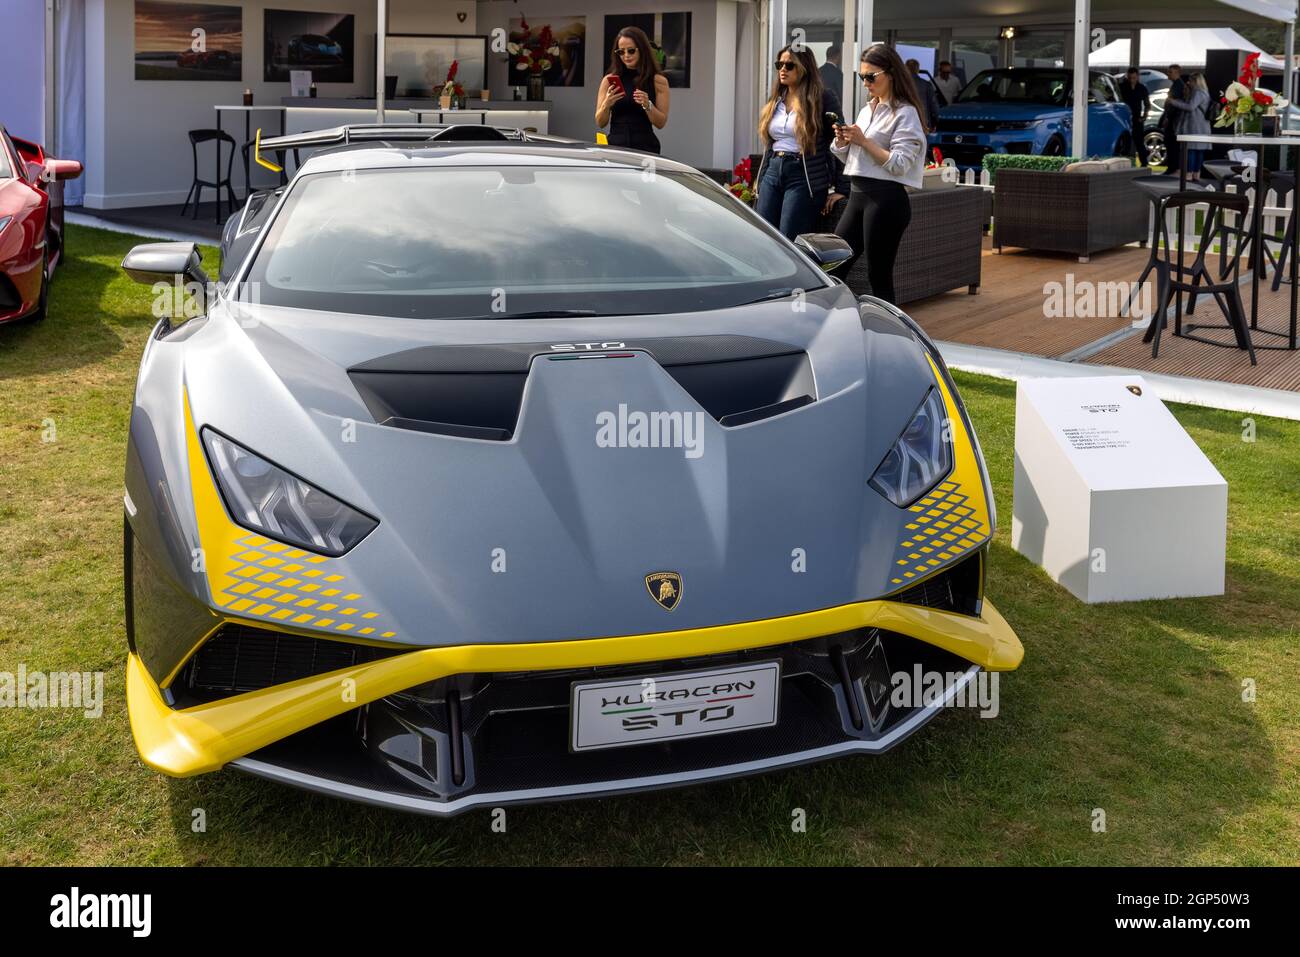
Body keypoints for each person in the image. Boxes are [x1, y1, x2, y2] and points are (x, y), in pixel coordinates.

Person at [830, 43, 927, 305]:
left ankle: (893, 337)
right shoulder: (867, 109)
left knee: (879, 275)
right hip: (858, 195)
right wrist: (843, 141)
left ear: (891, 73)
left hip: (886, 200)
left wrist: (863, 141)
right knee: (834, 268)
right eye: (862, 77)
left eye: (870, 77)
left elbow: (900, 164)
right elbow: (854, 158)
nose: (865, 83)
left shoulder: (905, 113)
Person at [754, 46, 845, 239]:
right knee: (763, 237)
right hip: (773, 172)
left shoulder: (823, 98)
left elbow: (841, 142)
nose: (783, 69)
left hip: (804, 176)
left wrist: (843, 188)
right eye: (780, 64)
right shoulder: (776, 100)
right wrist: (761, 181)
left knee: (790, 240)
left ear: (804, 68)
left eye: (789, 65)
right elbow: (770, 146)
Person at [595, 26, 671, 154]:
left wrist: (648, 105)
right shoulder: (609, 80)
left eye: (631, 51)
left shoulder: (658, 81)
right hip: (615, 148)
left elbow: (661, 123)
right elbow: (600, 122)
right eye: (621, 52)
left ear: (642, 50)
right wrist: (606, 105)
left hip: (645, 148)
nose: (626, 56)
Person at [1165, 72, 1211, 180]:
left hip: (1194, 127)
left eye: (1190, 81)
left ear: (1195, 81)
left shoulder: (1198, 92)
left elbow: (1190, 106)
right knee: (1199, 151)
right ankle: (1196, 173)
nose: (1188, 83)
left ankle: (1189, 173)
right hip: (1202, 127)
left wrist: (1173, 102)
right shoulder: (1204, 92)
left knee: (1191, 150)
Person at [1120, 67, 1151, 165]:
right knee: (1125, 142)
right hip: (1124, 118)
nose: (1132, 80)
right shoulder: (1122, 87)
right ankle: (1125, 163)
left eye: (1133, 78)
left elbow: (1147, 104)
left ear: (1137, 77)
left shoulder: (1142, 88)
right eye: (1130, 78)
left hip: (1137, 118)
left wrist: (1144, 117)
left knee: (1139, 142)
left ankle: (1144, 163)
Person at [907, 58, 942, 131]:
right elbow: (934, 105)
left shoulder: (898, 84)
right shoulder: (926, 85)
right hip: (922, 122)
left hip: (904, 122)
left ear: (905, 68)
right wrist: (937, 121)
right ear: (918, 69)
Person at [1162, 64, 1184, 173]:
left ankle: (1173, 167)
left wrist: (1168, 117)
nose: (1168, 74)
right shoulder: (1176, 85)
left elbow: (1174, 104)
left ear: (1177, 73)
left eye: (1170, 72)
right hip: (1172, 118)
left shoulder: (1178, 86)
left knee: (1171, 143)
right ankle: (1172, 167)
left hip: (1173, 120)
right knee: (1170, 143)